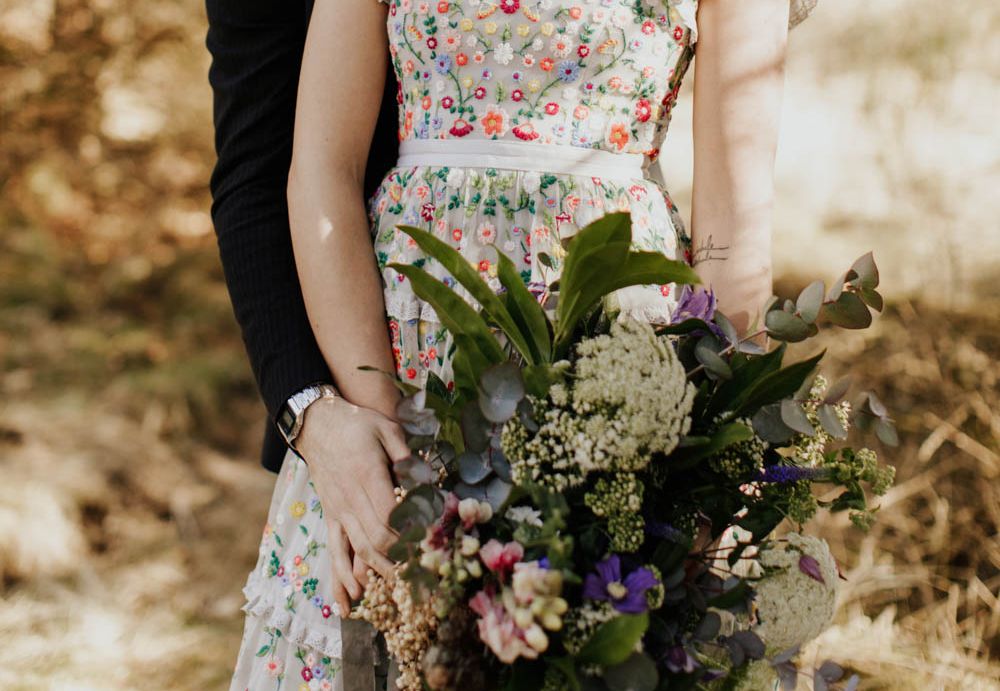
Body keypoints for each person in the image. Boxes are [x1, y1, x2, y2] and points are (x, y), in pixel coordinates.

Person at [207, 0, 820, 688]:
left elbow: (735, 237)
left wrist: (716, 458)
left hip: (611, 349)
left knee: (600, 637)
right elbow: (320, 169)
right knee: (390, 647)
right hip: (404, 361)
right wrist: (380, 440)